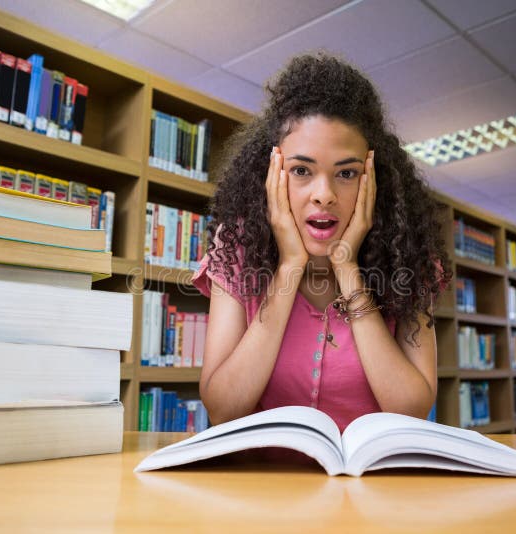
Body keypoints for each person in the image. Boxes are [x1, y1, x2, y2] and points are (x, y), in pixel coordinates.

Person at [192, 51, 452, 432]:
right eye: (301, 170)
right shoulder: (237, 251)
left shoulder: (408, 257)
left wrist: (347, 269)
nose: (324, 194)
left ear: (373, 179)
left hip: (369, 484)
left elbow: (410, 412)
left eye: (346, 173)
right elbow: (223, 409)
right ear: (272, 174)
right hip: (262, 487)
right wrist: (289, 268)